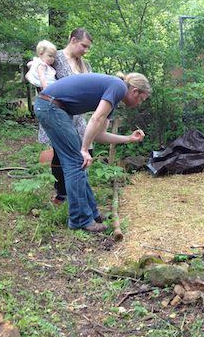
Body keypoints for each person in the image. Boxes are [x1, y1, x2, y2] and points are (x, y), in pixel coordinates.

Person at [34, 72, 151, 232]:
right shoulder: (118, 86)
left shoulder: (114, 98)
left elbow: (99, 135)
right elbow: (95, 119)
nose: (139, 104)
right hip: (51, 106)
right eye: (141, 99)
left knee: (77, 164)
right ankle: (80, 220)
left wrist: (129, 138)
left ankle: (92, 214)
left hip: (52, 107)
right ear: (135, 91)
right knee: (76, 162)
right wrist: (84, 149)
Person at [38, 28, 94, 205]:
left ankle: (78, 190)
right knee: (60, 154)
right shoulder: (55, 58)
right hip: (57, 114)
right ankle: (61, 194)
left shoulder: (85, 65)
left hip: (78, 117)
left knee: (86, 150)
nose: (85, 50)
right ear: (73, 40)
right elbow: (40, 77)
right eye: (83, 46)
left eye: (88, 48)